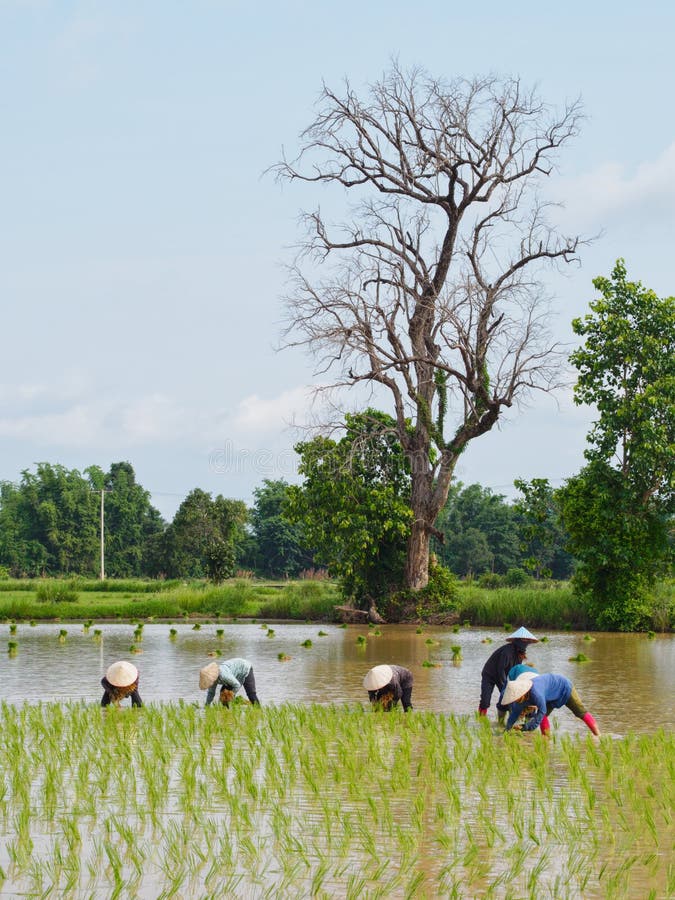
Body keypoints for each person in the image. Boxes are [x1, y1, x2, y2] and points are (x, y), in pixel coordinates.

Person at [502, 671, 600, 736]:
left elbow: (541, 712)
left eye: (516, 697)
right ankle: (546, 740)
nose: (515, 700)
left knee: (580, 712)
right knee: (544, 716)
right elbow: (514, 715)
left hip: (564, 687)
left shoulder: (536, 694)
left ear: (522, 693)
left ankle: (598, 736)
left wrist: (525, 727)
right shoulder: (519, 699)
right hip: (549, 695)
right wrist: (506, 731)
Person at [479, 626, 539, 722]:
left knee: (509, 698)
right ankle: (481, 721)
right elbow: (500, 669)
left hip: (503, 674)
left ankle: (511, 720)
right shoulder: (507, 651)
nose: (526, 642)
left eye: (528, 640)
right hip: (489, 674)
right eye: (524, 640)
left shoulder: (520, 654)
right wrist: (504, 686)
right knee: (485, 700)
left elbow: (516, 671)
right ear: (517, 640)